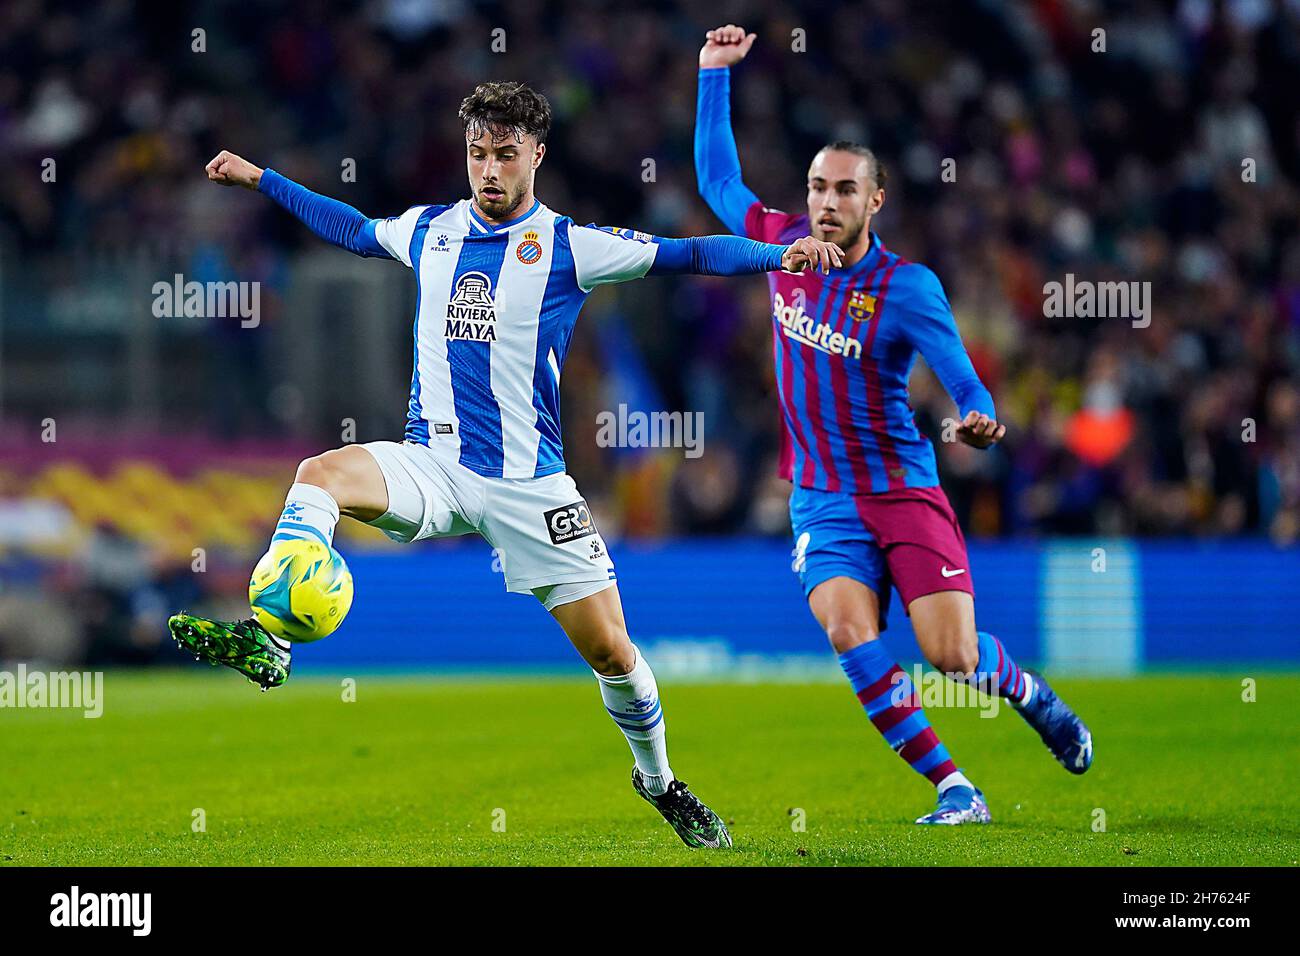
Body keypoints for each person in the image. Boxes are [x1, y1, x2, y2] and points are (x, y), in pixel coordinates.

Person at [171, 80, 842, 849]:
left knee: (613, 653)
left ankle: (659, 780)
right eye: (478, 154)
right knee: (319, 475)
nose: (489, 170)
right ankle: (273, 640)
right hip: (436, 464)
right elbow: (353, 228)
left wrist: (776, 253)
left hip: (532, 487)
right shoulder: (428, 230)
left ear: (537, 155)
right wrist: (262, 179)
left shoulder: (570, 246)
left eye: (506, 155)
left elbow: (688, 253)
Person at [694, 25, 1092, 825]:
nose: (826, 202)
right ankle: (957, 788)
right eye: (817, 186)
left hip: (903, 490)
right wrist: (713, 75)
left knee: (953, 656)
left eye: (844, 190)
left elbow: (963, 381)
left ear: (875, 201)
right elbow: (716, 176)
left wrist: (978, 416)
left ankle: (1025, 691)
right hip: (822, 496)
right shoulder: (778, 244)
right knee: (849, 630)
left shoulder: (908, 288)